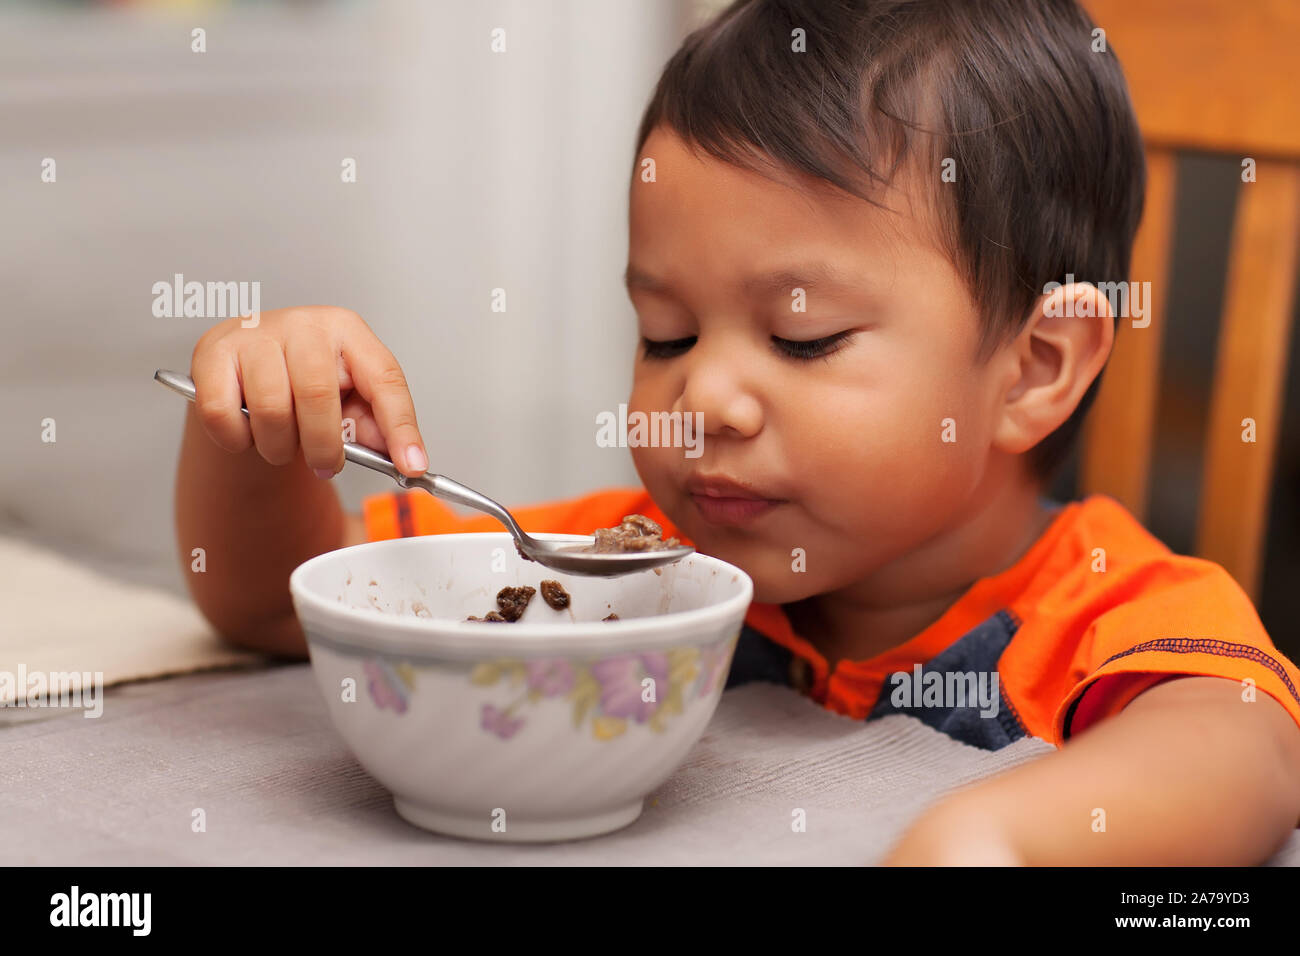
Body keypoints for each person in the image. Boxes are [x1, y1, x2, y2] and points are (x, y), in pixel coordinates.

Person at [174, 0, 1300, 864]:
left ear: (1032, 369)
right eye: (664, 332)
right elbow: (274, 602)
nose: (699, 397)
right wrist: (255, 432)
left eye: (802, 337)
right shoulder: (627, 565)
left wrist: (996, 840)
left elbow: (1251, 749)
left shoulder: (1108, 609)